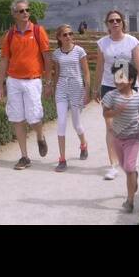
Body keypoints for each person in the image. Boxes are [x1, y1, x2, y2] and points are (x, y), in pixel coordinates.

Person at [0, 0, 52, 170]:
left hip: (33, 80)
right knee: (17, 118)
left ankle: (40, 136)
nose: (25, 13)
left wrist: (48, 81)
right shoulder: (10, 35)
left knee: (34, 117)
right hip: (14, 81)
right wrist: (0, 85)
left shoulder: (38, 31)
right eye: (21, 11)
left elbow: (47, 57)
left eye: (27, 10)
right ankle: (24, 156)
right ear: (14, 14)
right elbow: (4, 60)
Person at [92, 9, 139, 181]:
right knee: (110, 126)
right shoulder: (102, 43)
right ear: (107, 24)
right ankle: (113, 165)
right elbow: (100, 67)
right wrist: (95, 88)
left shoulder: (132, 41)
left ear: (122, 22)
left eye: (117, 20)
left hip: (130, 87)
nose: (115, 23)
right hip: (109, 87)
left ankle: (131, 156)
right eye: (111, 21)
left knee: (130, 124)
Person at [101, 60, 139, 213]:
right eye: (115, 77)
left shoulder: (138, 97)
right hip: (117, 137)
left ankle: (130, 201)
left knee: (129, 167)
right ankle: (133, 175)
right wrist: (115, 112)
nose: (117, 81)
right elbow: (105, 113)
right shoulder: (111, 96)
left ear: (130, 80)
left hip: (133, 137)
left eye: (121, 77)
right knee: (125, 166)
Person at [49, 24, 89, 172]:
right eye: (65, 34)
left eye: (70, 34)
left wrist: (87, 91)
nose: (68, 37)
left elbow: (86, 73)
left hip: (76, 87)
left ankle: (83, 144)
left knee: (76, 124)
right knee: (61, 122)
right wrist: (53, 89)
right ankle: (62, 159)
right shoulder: (56, 54)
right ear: (59, 37)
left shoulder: (79, 51)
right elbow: (56, 73)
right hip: (61, 87)